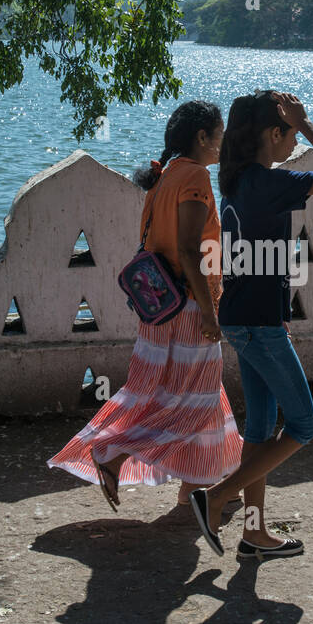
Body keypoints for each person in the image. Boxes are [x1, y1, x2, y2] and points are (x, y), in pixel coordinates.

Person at [48, 100, 242, 510]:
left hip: (161, 309)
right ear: (203, 137)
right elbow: (189, 251)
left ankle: (197, 488)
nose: (223, 145)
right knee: (191, 402)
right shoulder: (193, 177)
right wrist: (210, 312)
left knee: (189, 395)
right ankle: (115, 454)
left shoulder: (166, 176)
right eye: (219, 136)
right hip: (189, 307)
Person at [189, 90, 313, 560]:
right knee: (303, 424)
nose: (292, 144)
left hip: (244, 321)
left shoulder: (240, 182)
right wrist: (306, 124)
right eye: (287, 134)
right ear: (275, 133)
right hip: (258, 326)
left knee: (261, 432)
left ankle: (253, 534)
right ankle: (217, 497)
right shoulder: (267, 183)